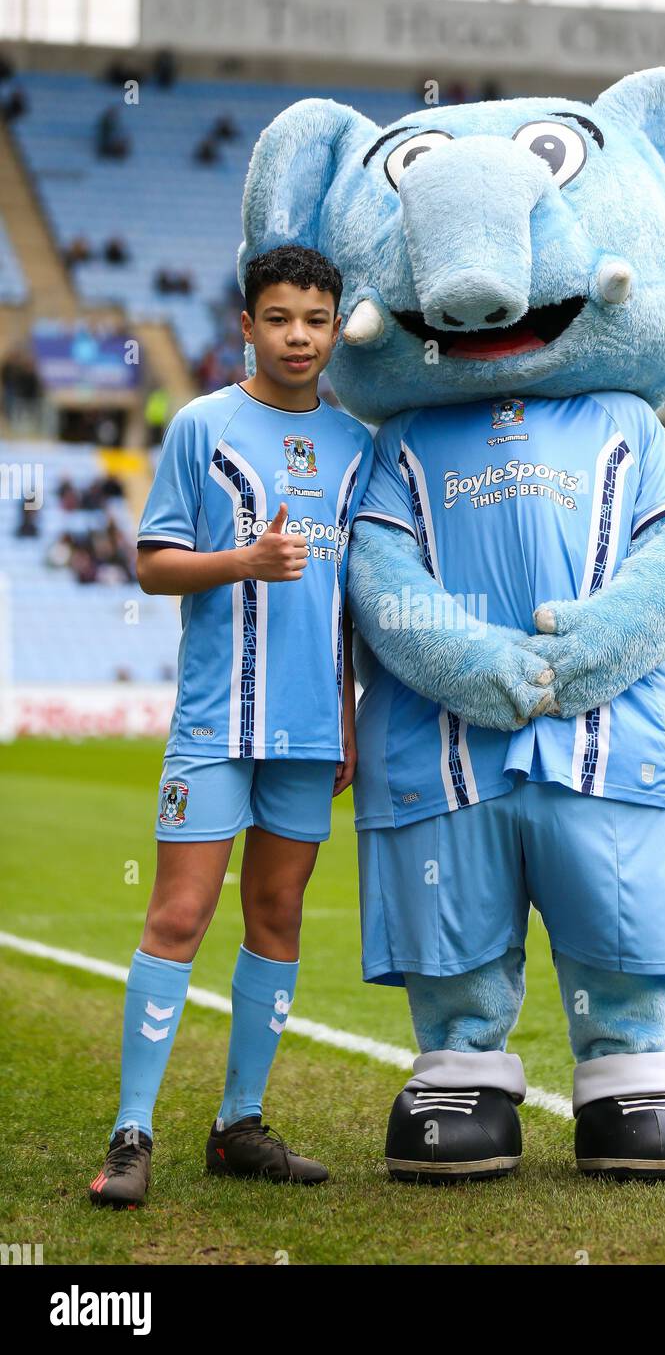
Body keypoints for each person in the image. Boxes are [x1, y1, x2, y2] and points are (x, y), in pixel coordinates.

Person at [88, 244, 373, 1208]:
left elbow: (351, 600)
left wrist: (346, 703)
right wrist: (244, 561)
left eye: (318, 320)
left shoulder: (358, 443)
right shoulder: (203, 425)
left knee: (278, 915)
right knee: (178, 916)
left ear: (338, 328)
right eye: (281, 318)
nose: (300, 336)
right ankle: (132, 1134)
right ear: (246, 325)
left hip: (309, 729)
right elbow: (154, 563)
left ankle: (238, 1125)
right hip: (216, 721)